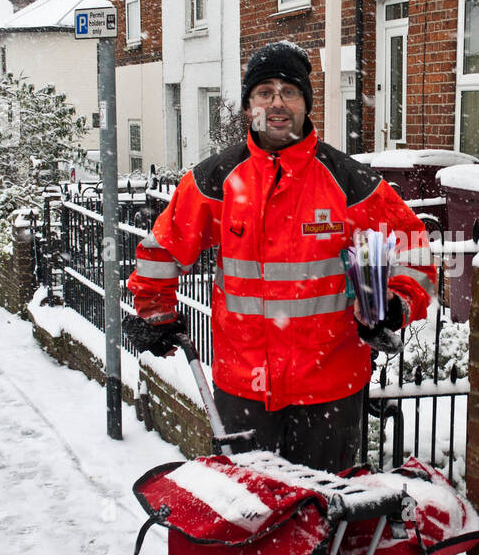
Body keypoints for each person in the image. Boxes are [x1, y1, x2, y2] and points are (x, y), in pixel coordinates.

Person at [124, 41, 436, 472]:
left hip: (330, 388)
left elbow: (412, 249)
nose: (277, 103)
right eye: (264, 92)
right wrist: (154, 311)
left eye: (289, 91)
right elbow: (164, 247)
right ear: (249, 105)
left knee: (326, 517)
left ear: (306, 104)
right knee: (250, 519)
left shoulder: (348, 179)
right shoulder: (215, 179)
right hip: (244, 389)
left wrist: (395, 305)